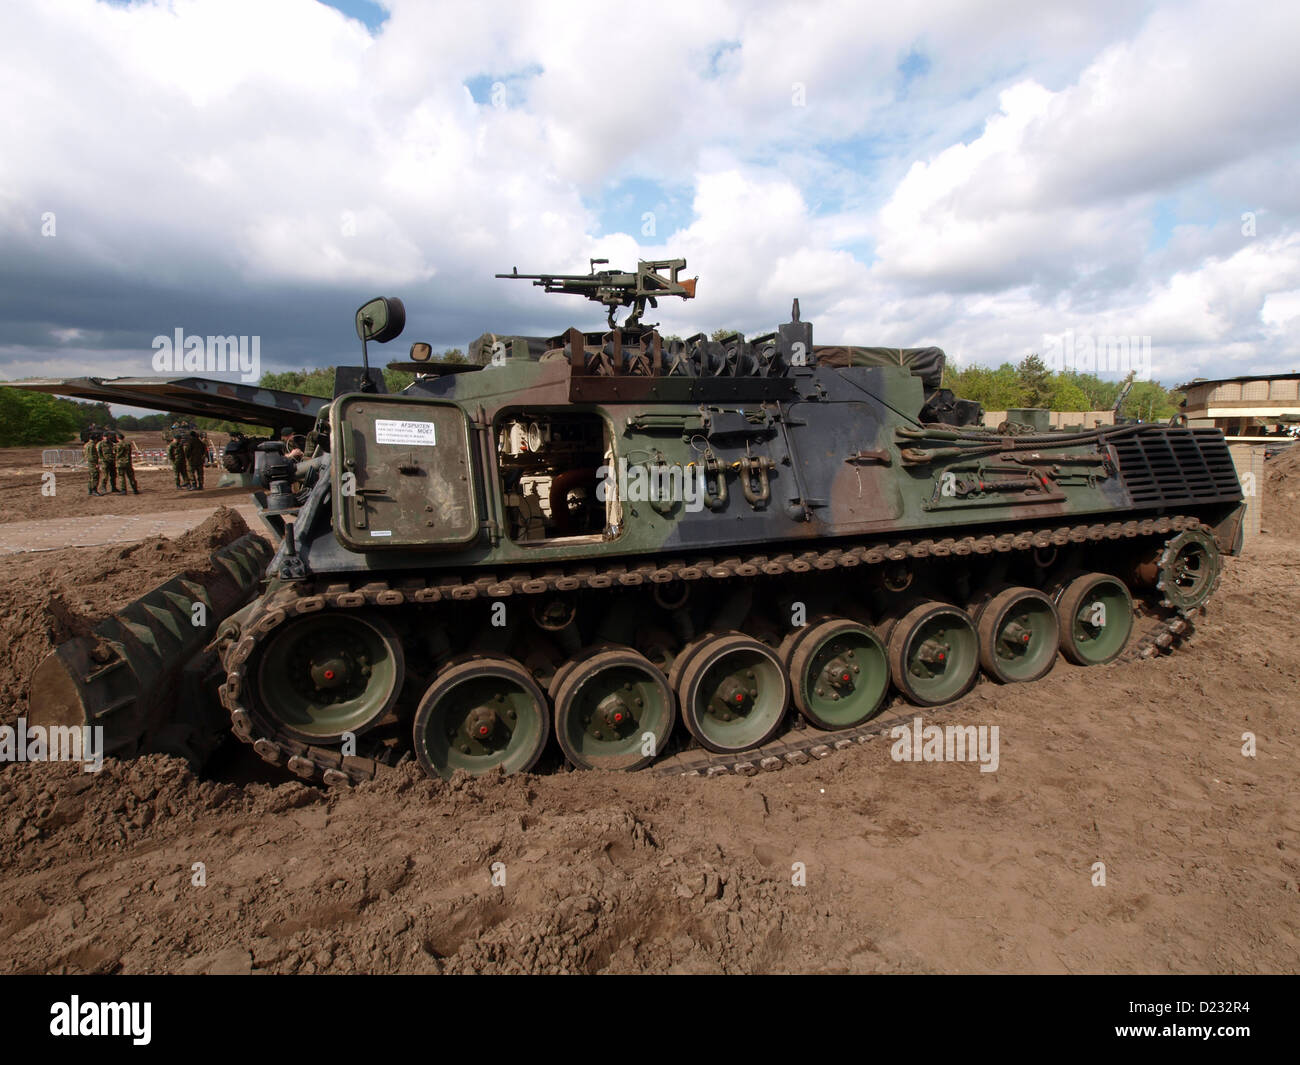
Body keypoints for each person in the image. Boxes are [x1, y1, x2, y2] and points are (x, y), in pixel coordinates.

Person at [84, 431, 103, 496]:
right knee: (95, 476)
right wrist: (96, 464)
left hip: (89, 463)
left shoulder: (86, 444)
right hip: (92, 463)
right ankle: (94, 490)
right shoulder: (92, 445)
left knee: (91, 477)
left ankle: (90, 490)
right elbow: (92, 456)